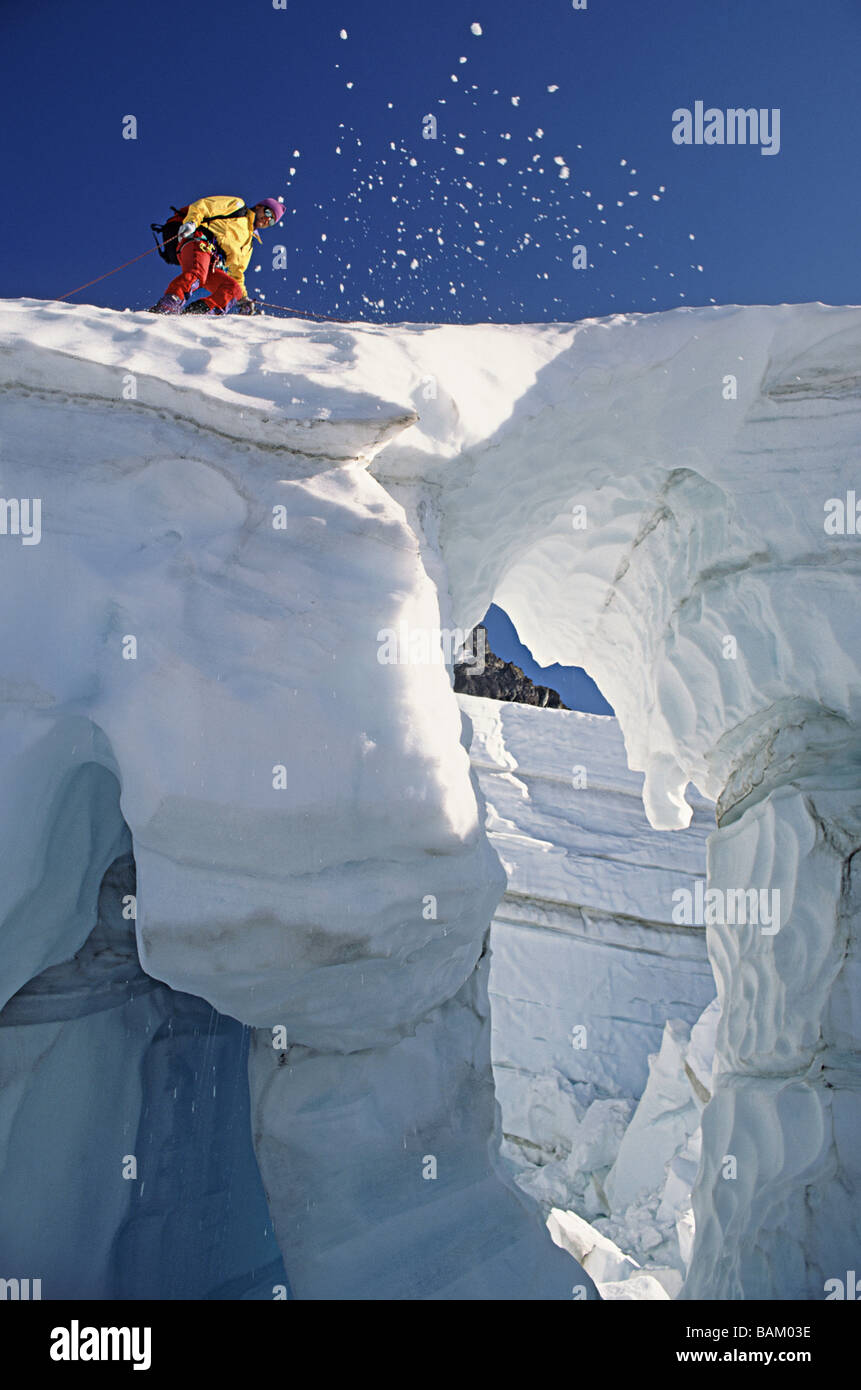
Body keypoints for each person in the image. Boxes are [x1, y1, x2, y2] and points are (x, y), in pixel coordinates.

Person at [149, 196, 285, 315]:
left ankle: (198, 313)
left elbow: (237, 273)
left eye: (272, 220)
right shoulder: (238, 206)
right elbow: (205, 205)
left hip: (214, 263)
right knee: (197, 273)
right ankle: (168, 304)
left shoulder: (248, 244)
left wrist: (243, 299)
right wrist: (192, 222)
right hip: (200, 241)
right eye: (267, 212)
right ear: (259, 206)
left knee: (233, 290)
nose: (267, 219)